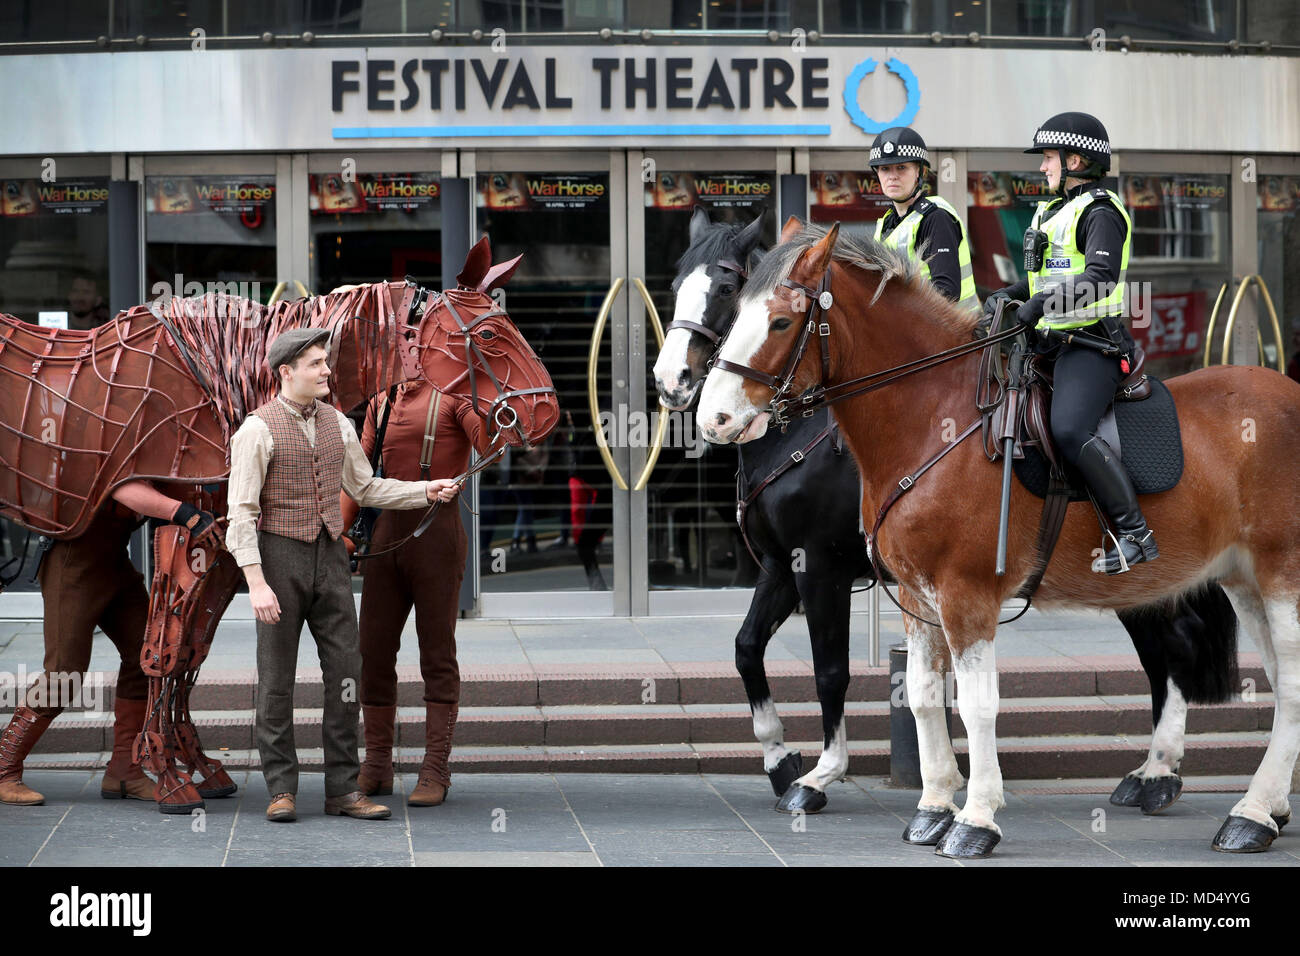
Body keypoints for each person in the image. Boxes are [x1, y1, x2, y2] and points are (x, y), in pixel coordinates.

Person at [226, 327, 460, 823]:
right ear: (287, 372)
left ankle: (343, 790)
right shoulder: (256, 429)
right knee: (275, 682)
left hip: (331, 559)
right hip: (280, 559)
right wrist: (256, 582)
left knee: (346, 677)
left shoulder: (338, 422)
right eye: (315, 364)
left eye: (325, 362)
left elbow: (366, 486)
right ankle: (281, 789)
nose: (326, 371)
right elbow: (241, 514)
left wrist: (425, 492)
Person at [984, 111, 1157, 575]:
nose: (1043, 167)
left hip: (1092, 346)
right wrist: (1011, 294)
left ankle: (1135, 532)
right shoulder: (1051, 210)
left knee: (1068, 428)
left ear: (1075, 158)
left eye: (1048, 157)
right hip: (1052, 344)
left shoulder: (1102, 211)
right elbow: (1045, 278)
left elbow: (1099, 280)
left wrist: (1038, 305)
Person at [0, 482, 212, 806]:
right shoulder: (114, 431)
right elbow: (120, 486)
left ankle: (124, 771)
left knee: (149, 657)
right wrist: (184, 512)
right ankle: (5, 769)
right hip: (72, 561)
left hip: (113, 559)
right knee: (62, 675)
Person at [339, 377, 494, 807]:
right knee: (371, 650)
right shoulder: (382, 401)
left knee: (437, 653)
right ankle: (377, 764)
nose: (405, 350)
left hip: (438, 534)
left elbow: (490, 442)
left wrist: (485, 397)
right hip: (387, 532)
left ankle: (436, 768)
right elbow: (360, 476)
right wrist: (337, 531)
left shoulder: (455, 396)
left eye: (412, 341)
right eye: (400, 342)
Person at [869, 127, 981, 314]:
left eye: (902, 167)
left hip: (956, 337)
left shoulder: (936, 218)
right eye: (884, 169)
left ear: (920, 172)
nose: (892, 176)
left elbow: (947, 293)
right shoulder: (887, 223)